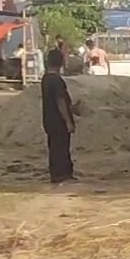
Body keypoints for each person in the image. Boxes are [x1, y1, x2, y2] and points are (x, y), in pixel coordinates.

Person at [41, 49, 76, 185]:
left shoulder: (46, 79)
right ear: (60, 62)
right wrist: (68, 121)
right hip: (58, 120)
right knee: (61, 147)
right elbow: (60, 101)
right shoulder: (57, 80)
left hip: (48, 118)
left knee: (54, 147)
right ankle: (63, 174)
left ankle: (56, 173)